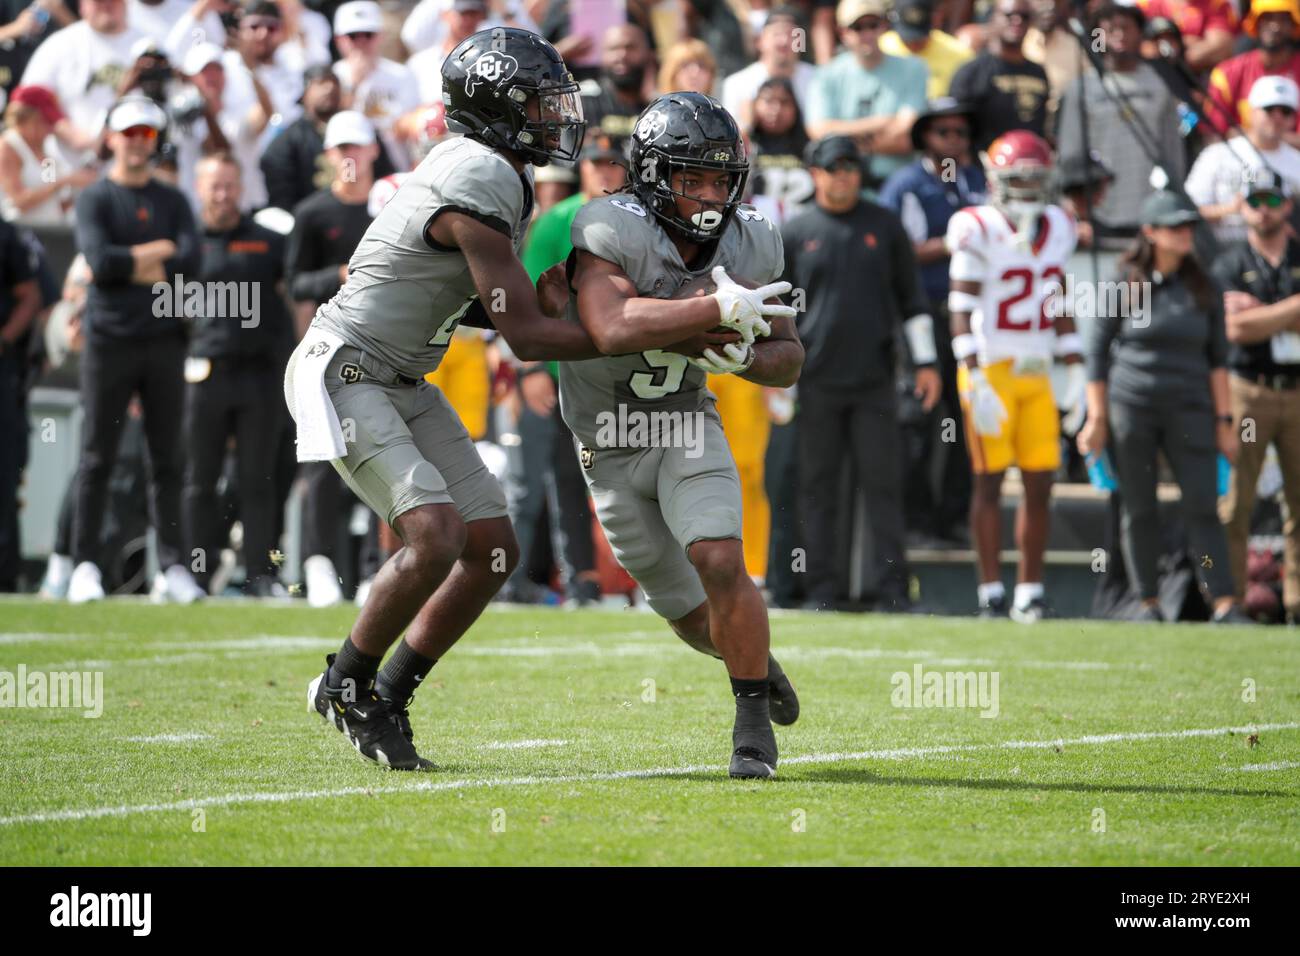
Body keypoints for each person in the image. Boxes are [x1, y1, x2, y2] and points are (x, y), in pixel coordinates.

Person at [289, 28, 598, 770]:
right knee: (435, 533)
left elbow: (479, 305)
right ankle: (346, 681)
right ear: (495, 106)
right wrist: (635, 333)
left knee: (494, 553)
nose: (555, 116)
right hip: (349, 368)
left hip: (402, 374)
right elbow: (522, 336)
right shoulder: (482, 172)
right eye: (537, 101)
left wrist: (545, 303)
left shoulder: (493, 170)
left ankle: (388, 696)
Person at [561, 92, 802, 778]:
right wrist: (710, 307)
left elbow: (789, 355)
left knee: (722, 558)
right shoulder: (609, 225)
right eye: (690, 177)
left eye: (720, 179)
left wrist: (747, 358)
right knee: (686, 613)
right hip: (607, 440)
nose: (707, 194)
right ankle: (757, 661)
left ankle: (751, 727)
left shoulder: (752, 235)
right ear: (651, 175)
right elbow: (609, 327)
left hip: (683, 421)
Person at [1078, 190, 1251, 624]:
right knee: (1138, 507)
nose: (1185, 234)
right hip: (1131, 406)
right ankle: (1146, 601)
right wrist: (1096, 416)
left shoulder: (1202, 286)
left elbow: (1218, 361)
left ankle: (1224, 600)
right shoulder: (1127, 283)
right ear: (1150, 233)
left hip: (1191, 408)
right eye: (1175, 227)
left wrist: (1225, 422)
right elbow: (1096, 354)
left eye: (1189, 226)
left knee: (1202, 505)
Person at [783, 134, 940, 610]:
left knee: (884, 489)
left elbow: (913, 301)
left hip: (875, 381)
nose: (844, 176)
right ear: (815, 174)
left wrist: (927, 363)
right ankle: (821, 589)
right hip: (814, 383)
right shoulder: (794, 231)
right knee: (817, 490)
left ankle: (893, 590)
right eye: (834, 168)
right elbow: (775, 310)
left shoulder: (885, 226)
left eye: (851, 167)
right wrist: (779, 378)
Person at [66, 95, 203, 604]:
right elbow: (100, 263)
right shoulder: (95, 197)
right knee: (97, 454)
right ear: (110, 138)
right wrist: (158, 253)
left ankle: (174, 565)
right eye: (129, 133)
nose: (138, 142)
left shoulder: (174, 200)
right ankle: (84, 564)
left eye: (147, 134)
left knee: (168, 458)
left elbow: (193, 263)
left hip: (165, 340)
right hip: (109, 338)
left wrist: (138, 263)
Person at [947, 130, 1085, 620]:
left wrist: (1075, 365)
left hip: (1037, 367)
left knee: (1041, 481)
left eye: (1034, 178)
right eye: (1018, 178)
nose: (1027, 187)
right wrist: (973, 373)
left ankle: (1030, 589)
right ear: (996, 179)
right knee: (988, 481)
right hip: (990, 369)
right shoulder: (976, 225)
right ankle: (990, 591)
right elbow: (960, 303)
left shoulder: (1060, 224)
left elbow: (1058, 295)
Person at [503, 134, 627, 606]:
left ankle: (585, 581)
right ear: (584, 168)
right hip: (555, 372)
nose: (604, 172)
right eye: (597, 163)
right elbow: (527, 296)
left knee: (586, 480)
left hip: (605, 376)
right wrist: (528, 370)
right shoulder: (557, 219)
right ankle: (510, 579)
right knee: (532, 481)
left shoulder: (634, 220)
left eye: (613, 164)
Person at [183, 153, 293, 597]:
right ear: (200, 188)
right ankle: (194, 575)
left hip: (259, 376)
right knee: (199, 480)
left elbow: (294, 295)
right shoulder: (184, 242)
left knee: (257, 479)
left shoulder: (267, 241)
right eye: (215, 185)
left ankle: (260, 576)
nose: (223, 194)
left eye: (230, 185)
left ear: (241, 188)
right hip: (202, 375)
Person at [879, 97, 985, 546]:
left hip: (975, 313)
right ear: (925, 136)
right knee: (920, 414)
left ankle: (955, 516)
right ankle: (917, 520)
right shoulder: (906, 184)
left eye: (960, 132)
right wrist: (950, 244)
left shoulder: (979, 178)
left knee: (967, 414)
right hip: (923, 312)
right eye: (944, 132)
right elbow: (896, 251)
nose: (954, 140)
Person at [286, 109, 378, 607]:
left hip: (381, 350)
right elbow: (294, 283)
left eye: (356, 147)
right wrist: (338, 275)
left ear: (373, 151)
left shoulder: (389, 208)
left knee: (380, 454)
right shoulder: (312, 214)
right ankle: (319, 564)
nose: (349, 157)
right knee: (322, 461)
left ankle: (372, 569)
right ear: (327, 156)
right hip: (324, 351)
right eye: (341, 148)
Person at [1214, 170, 1300, 622]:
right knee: (1237, 502)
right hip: (1247, 390)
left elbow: (1250, 322)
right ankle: (1233, 602)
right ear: (1241, 206)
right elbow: (1233, 328)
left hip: (1297, 390)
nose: (1262, 208)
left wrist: (1261, 315)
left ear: (1287, 205)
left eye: (1270, 199)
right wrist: (1292, 309)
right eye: (1253, 200)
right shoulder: (1229, 261)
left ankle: (1296, 602)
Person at [1056, 3, 1187, 238]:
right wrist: (1075, 213)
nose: (1119, 34)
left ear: (1140, 33)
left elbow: (1172, 152)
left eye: (1126, 27)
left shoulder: (1159, 84)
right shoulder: (1082, 87)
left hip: (1150, 210)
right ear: (1098, 35)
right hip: (1097, 212)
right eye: (1110, 28)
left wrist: (1174, 201)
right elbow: (1070, 155)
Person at [806, 0, 928, 187]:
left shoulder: (914, 68)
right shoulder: (826, 74)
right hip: (844, 185)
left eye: (873, 25)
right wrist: (883, 122)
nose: (867, 34)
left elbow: (906, 135)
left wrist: (843, 140)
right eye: (858, 27)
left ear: (884, 26)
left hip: (898, 182)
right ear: (842, 32)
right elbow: (819, 131)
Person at [1187, 76, 1300, 246]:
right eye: (1269, 109)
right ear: (1252, 112)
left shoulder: (1296, 162)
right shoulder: (1218, 154)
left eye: (1285, 111)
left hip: (1277, 257)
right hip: (1222, 252)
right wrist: (1232, 208)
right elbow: (1187, 210)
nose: (1277, 117)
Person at [20, 0, 145, 149]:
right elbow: (27, 96)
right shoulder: (60, 43)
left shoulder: (147, 44)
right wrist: (66, 130)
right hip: (67, 164)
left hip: (132, 161)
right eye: (96, 2)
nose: (106, 5)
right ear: (82, 5)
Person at [948, 0, 1049, 153]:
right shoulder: (972, 73)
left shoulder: (1039, 73)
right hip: (985, 168)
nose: (1017, 21)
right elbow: (955, 128)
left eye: (1024, 16)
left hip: (1031, 168)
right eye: (1009, 15)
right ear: (993, 18)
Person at [0, 215, 40, 590]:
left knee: (5, 470)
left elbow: (30, 295)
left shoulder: (7, 233)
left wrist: (5, 338)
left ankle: (5, 576)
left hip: (3, 372)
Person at [331, 1, 418, 170]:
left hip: (395, 163)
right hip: (351, 167)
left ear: (380, 36)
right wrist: (353, 84)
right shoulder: (332, 77)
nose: (361, 41)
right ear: (339, 40)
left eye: (368, 34)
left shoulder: (402, 75)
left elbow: (411, 126)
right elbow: (332, 126)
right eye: (353, 35)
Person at [1207, 0, 1300, 145]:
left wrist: (1260, 137)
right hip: (1237, 163)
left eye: (1283, 19)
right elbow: (1215, 134)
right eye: (1267, 17)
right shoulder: (1227, 73)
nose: (1275, 26)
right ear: (1255, 22)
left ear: (1294, 24)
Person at [0, 86, 96, 225]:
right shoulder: (8, 146)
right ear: (27, 118)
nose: (51, 129)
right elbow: (19, 201)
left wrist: (81, 191)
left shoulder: (45, 148)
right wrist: (67, 180)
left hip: (51, 234)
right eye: (46, 121)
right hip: (21, 237)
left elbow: (51, 195)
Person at [721, 6, 816, 129]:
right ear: (759, 41)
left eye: (792, 35)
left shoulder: (818, 81)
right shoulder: (737, 84)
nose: (784, 41)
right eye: (776, 34)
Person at [744, 77, 813, 225]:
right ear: (754, 105)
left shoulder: (809, 147)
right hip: (753, 229)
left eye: (784, 102)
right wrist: (746, 127)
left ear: (796, 107)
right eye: (768, 101)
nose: (776, 109)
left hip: (799, 228)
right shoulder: (744, 146)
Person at [879, 0, 974, 99]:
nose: (914, 44)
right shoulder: (881, 47)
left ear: (935, 20)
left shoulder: (959, 53)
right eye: (907, 39)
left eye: (919, 38)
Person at [1135, 0, 1239, 73]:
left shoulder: (1216, 4)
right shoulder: (1146, 5)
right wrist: (1190, 43)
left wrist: (1175, 48)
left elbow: (1222, 48)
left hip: (1201, 80)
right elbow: (1136, 47)